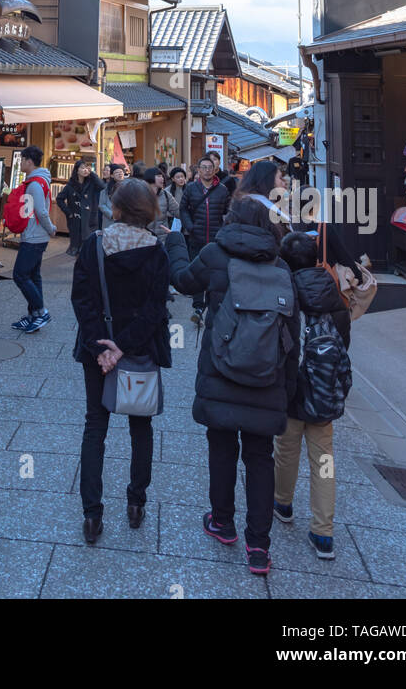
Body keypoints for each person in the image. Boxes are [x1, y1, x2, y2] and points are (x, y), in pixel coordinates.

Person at [167, 193, 300, 576]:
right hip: (266, 378)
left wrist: (175, 241)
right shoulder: (281, 264)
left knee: (222, 447)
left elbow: (182, 280)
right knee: (260, 457)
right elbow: (292, 334)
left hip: (221, 370)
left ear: (232, 219)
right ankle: (259, 546)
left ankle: (222, 522)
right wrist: (286, 389)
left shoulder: (214, 254)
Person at [71, 178, 171, 545]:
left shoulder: (94, 246)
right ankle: (135, 502)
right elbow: (155, 309)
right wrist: (124, 346)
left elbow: (81, 301)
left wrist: (103, 348)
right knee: (140, 425)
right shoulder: (157, 252)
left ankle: (92, 515)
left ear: (115, 208)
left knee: (95, 426)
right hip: (140, 350)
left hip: (96, 351)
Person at [273, 231, 351, 561]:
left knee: (286, 450)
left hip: (292, 389)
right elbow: (343, 347)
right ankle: (324, 533)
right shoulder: (335, 298)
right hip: (324, 391)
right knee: (325, 461)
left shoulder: (285, 296)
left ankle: (283, 502)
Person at [178, 156, 230, 322]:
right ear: (198, 170)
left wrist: (224, 230)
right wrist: (190, 226)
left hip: (216, 239)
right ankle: (198, 307)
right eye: (204, 167)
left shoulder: (222, 189)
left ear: (215, 170)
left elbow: (228, 212)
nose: (207, 170)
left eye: (210, 167)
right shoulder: (191, 188)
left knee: (216, 272)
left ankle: (214, 305)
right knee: (197, 272)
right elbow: (183, 209)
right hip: (197, 237)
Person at [12, 146, 55, 333]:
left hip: (35, 236)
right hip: (34, 234)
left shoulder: (35, 184)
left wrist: (51, 228)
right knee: (33, 275)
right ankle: (34, 316)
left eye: (22, 160)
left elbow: (40, 211)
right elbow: (30, 211)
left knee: (19, 274)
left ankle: (41, 312)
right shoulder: (36, 181)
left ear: (29, 161)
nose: (20, 163)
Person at [57, 159, 103, 256]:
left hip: (90, 220)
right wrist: (68, 212)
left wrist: (92, 174)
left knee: (89, 250)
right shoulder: (70, 186)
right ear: (77, 170)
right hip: (75, 221)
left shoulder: (92, 183)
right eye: (82, 168)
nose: (85, 170)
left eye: (86, 168)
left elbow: (101, 186)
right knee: (76, 250)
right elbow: (59, 199)